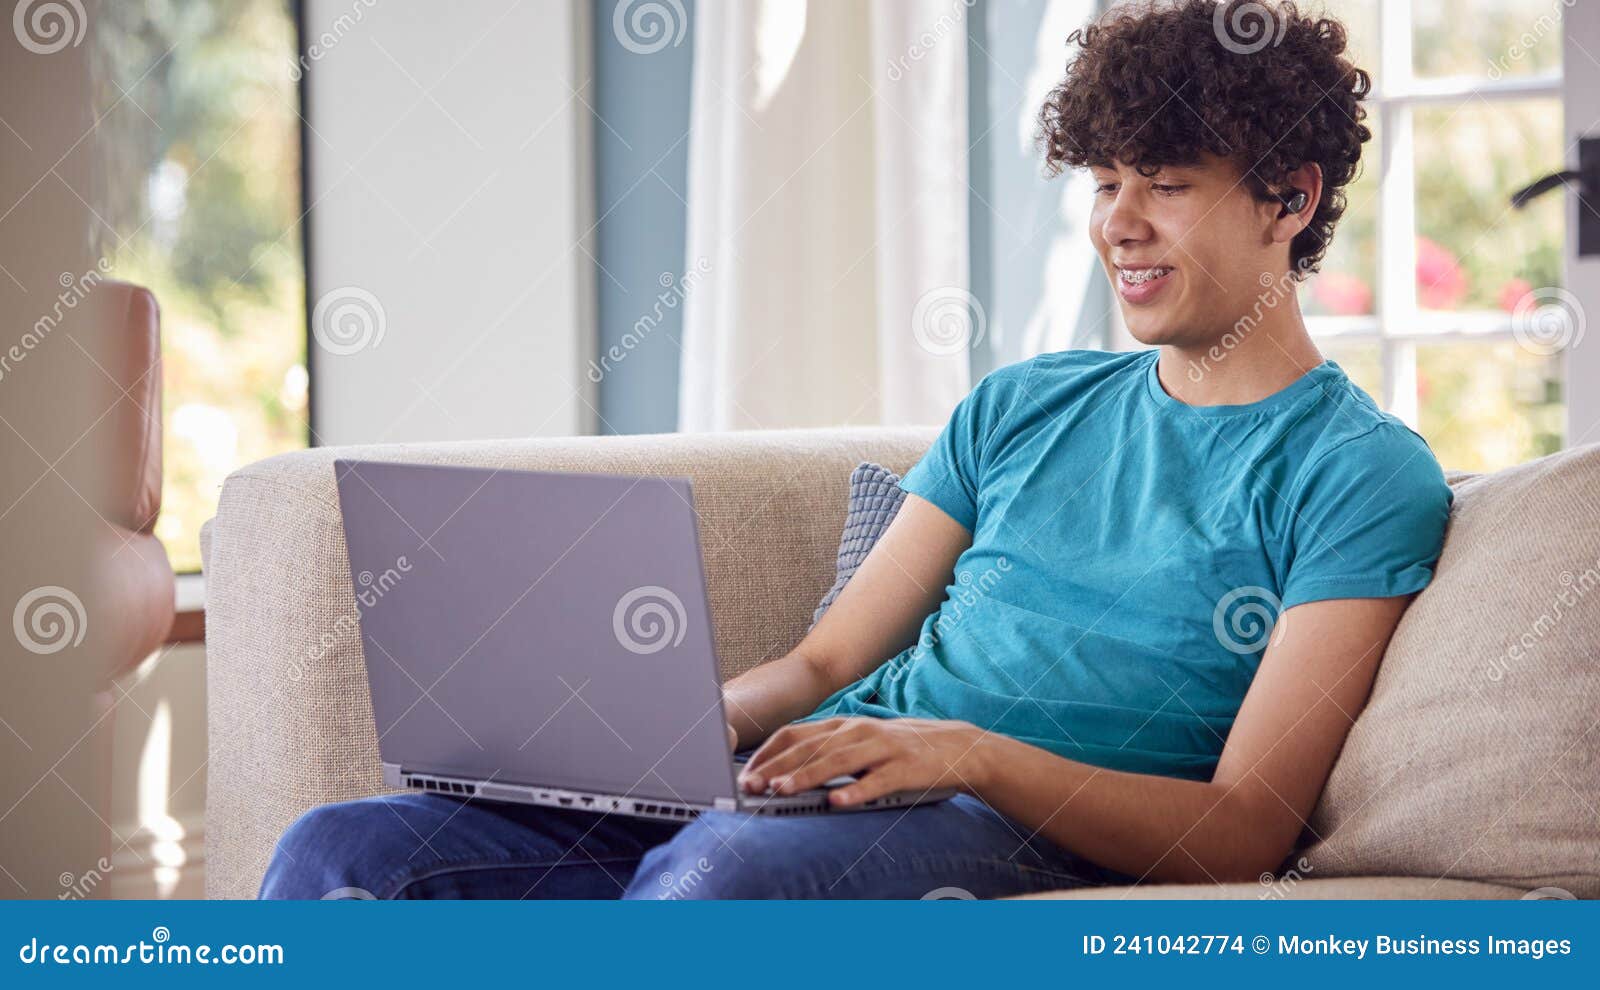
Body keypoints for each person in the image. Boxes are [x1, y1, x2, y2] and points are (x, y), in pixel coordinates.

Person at [260, 0, 1450, 900]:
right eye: (1101, 183)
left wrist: (968, 754)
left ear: (1288, 198)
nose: (1117, 224)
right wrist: (642, 731)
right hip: (825, 786)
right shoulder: (1022, 406)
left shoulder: (1358, 473)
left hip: (1012, 828)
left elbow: (1243, 826)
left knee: (723, 876)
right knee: (349, 849)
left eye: (1167, 184)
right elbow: (826, 659)